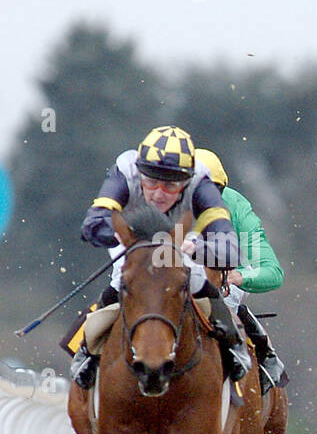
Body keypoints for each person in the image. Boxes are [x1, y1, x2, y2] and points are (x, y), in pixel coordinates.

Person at [72, 125, 251, 389]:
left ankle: (233, 344)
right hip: (133, 241)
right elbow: (91, 226)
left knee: (195, 280)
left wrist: (197, 250)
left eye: (170, 185)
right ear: (140, 172)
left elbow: (231, 251)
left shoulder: (202, 184)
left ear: (187, 181)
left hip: (181, 244)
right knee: (122, 280)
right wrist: (134, 240)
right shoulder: (125, 171)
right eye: (151, 181)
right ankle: (86, 351)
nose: (158, 193)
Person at [192, 148, 288, 393]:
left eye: (214, 192)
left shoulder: (235, 206)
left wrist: (240, 276)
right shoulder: (165, 199)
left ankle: (258, 372)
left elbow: (272, 272)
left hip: (221, 292)